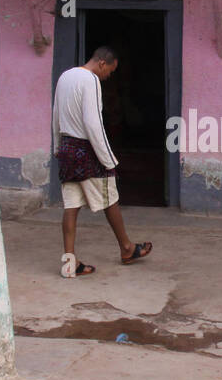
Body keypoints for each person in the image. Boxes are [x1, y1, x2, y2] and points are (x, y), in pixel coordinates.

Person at [52, 46, 152, 276]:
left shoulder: (65, 77)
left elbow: (56, 113)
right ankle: (127, 249)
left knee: (71, 207)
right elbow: (93, 123)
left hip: (67, 148)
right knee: (110, 198)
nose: (108, 77)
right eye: (110, 71)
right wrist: (109, 160)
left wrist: (58, 146)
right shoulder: (91, 80)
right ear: (102, 64)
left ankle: (69, 263)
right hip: (86, 150)